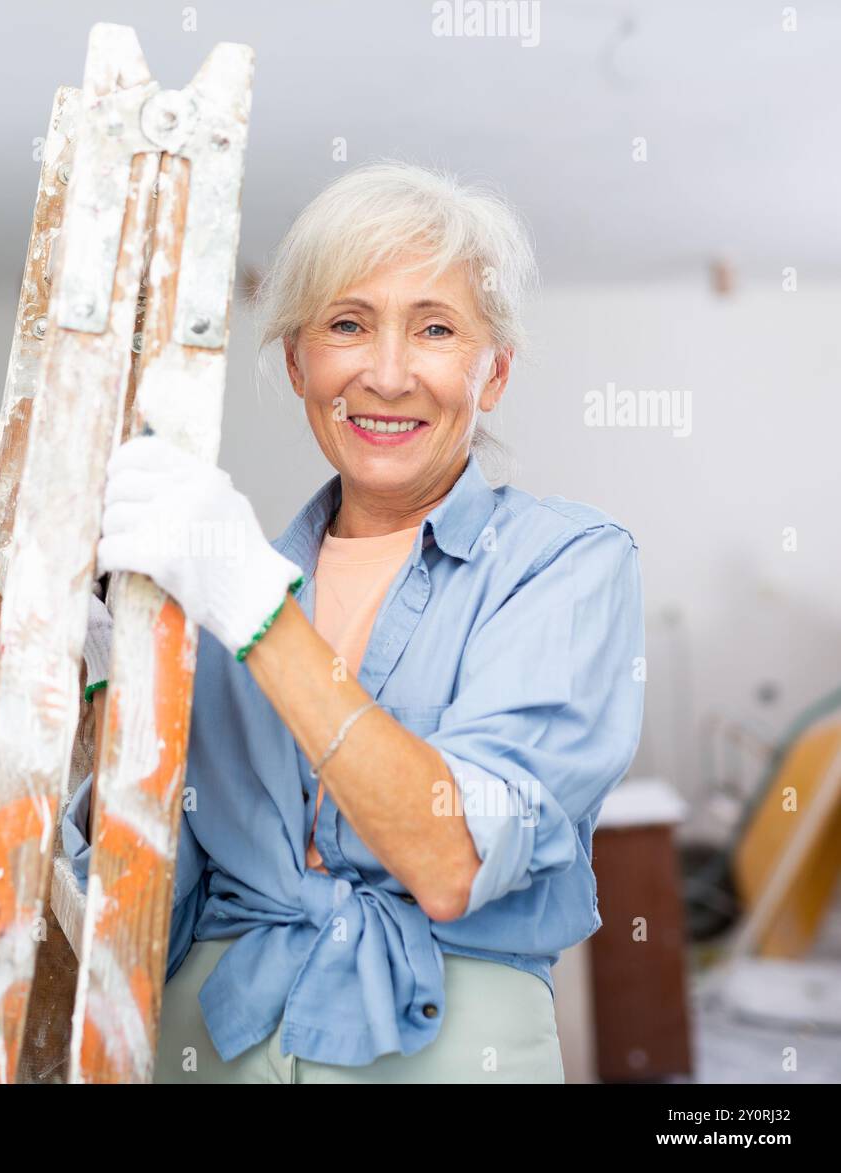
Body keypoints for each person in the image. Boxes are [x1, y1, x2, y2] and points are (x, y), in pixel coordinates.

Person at [63, 159, 645, 1083]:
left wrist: (253, 609)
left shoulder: (563, 565)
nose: (385, 373)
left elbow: (450, 857)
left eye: (436, 329)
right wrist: (106, 683)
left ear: (493, 371)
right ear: (298, 362)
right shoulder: (209, 584)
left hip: (449, 1043)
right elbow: (140, 908)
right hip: (215, 1037)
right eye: (346, 324)